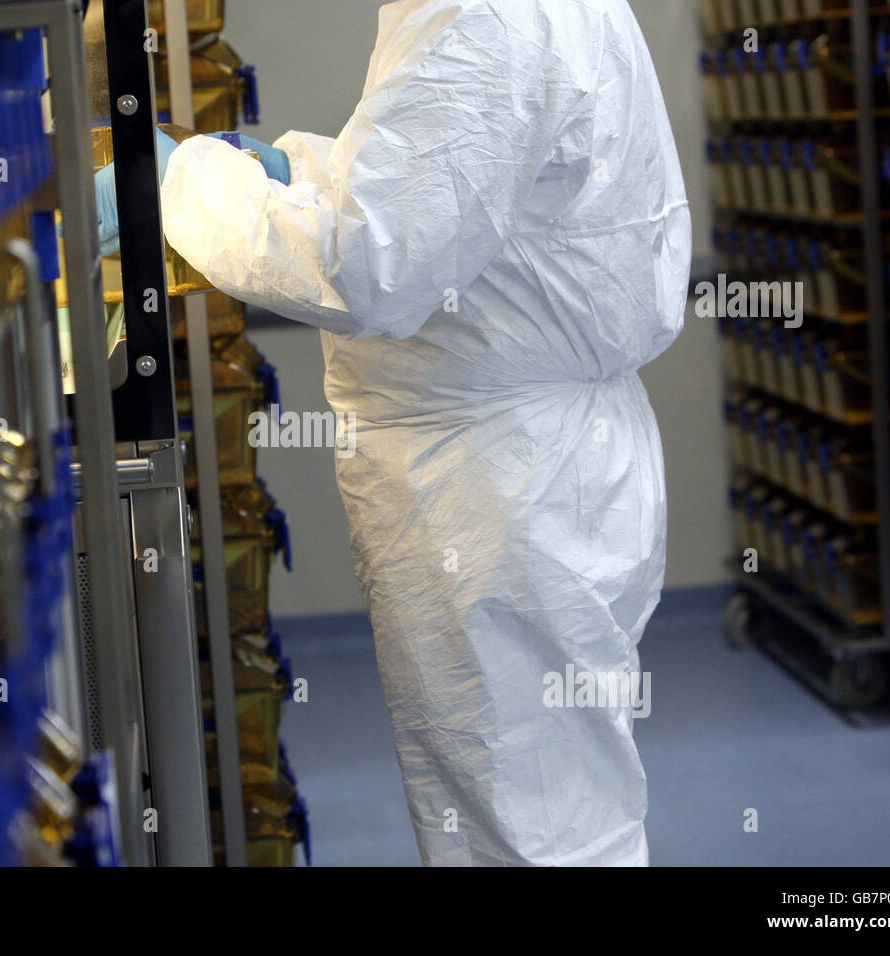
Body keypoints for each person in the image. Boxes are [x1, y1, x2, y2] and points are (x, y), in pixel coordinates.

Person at [104, 0, 691, 865]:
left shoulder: (480, 11)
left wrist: (176, 182)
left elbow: (370, 263)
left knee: (526, 834)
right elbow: (451, 183)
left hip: (495, 481)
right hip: (543, 459)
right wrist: (286, 172)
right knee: (555, 805)